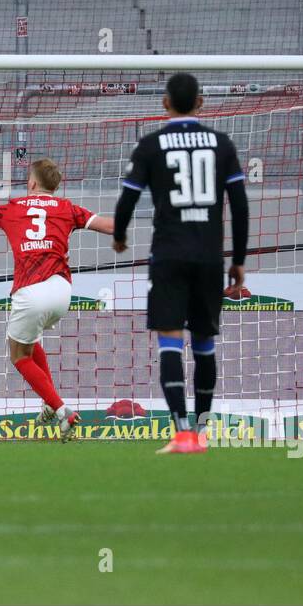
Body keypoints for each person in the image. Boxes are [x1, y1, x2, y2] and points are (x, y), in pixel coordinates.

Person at [112, 73, 250, 456]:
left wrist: (120, 234)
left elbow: (127, 198)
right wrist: (237, 260)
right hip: (208, 256)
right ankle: (203, 431)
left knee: (169, 341)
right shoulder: (221, 144)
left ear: (165, 103)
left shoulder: (152, 144)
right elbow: (239, 206)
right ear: (200, 103)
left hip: (169, 255)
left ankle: (182, 433)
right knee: (204, 345)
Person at [0, 158, 115, 440]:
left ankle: (62, 410)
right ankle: (50, 403)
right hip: (62, 290)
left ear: (32, 183)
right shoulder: (68, 208)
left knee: (18, 355)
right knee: (31, 340)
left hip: (30, 290)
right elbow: (110, 227)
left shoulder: (12, 208)